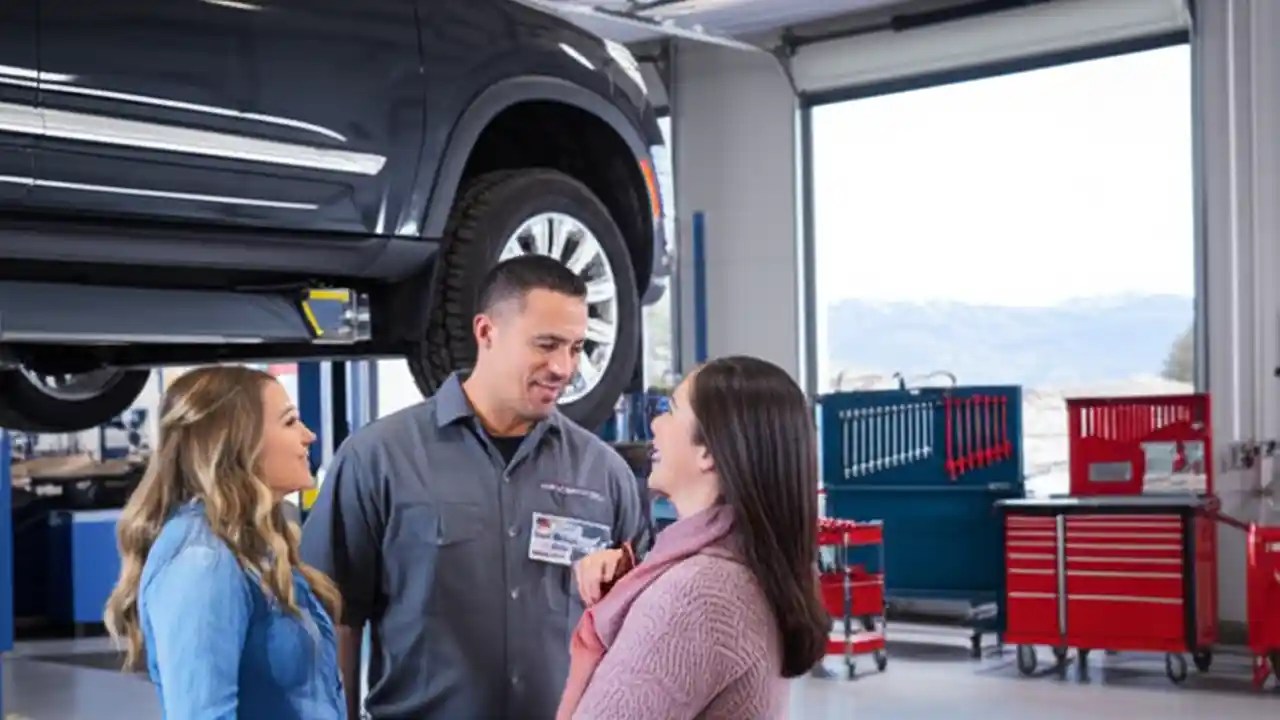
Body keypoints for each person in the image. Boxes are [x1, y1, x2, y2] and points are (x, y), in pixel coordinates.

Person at [299, 255, 652, 720]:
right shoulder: (379, 458)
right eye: (546, 344)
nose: (564, 367)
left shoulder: (603, 473)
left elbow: (642, 627)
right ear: (486, 333)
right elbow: (334, 619)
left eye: (576, 347)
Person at [559, 355, 831, 719]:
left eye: (670, 410)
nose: (655, 424)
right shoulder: (743, 567)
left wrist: (657, 601)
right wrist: (635, 593)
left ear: (708, 451)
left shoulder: (699, 595)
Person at [103, 365, 345, 719]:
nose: (309, 436)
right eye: (290, 422)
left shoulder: (253, 546)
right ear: (237, 440)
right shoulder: (201, 559)